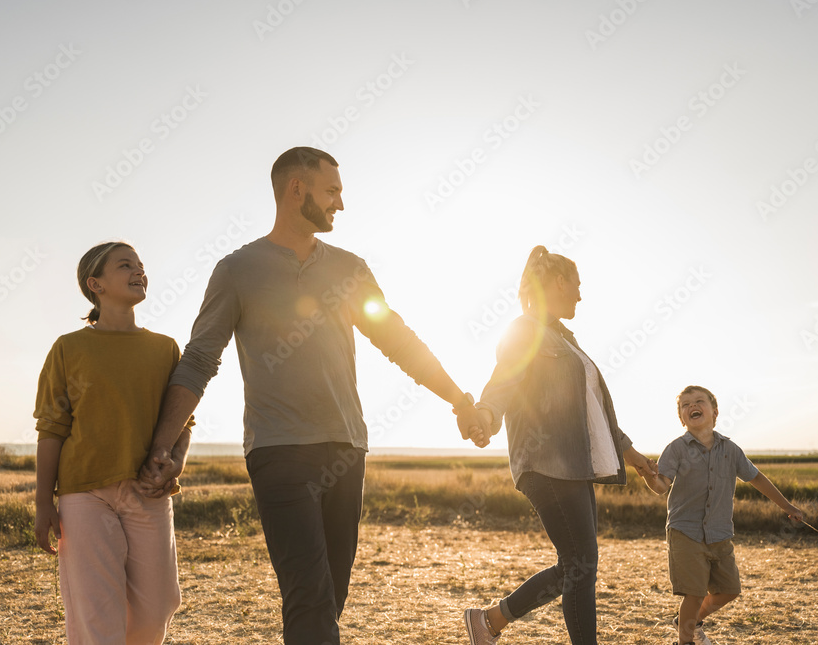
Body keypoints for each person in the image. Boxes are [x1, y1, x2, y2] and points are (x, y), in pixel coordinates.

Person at [138, 146, 489, 645]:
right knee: (310, 595)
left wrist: (458, 398)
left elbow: (397, 340)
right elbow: (199, 360)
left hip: (347, 448)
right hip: (279, 450)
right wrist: (163, 446)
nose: (340, 204)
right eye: (332, 191)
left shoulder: (350, 268)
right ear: (296, 189)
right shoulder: (237, 270)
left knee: (329, 596)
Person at [461, 245, 659, 645]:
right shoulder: (524, 331)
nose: (581, 296)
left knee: (575, 565)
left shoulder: (564, 339)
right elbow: (504, 381)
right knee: (582, 565)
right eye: (577, 285)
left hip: (575, 464)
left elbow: (590, 413)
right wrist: (484, 415)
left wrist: (634, 457)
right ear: (557, 281)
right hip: (546, 462)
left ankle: (488, 621)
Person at [33, 241, 194, 644]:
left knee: (157, 605)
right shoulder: (69, 348)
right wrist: (42, 503)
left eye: (141, 265)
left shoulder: (164, 348)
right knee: (96, 612)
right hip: (84, 494)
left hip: (149, 492)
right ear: (96, 284)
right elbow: (52, 428)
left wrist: (177, 462)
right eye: (125, 265)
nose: (139, 271)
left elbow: (183, 421)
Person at [642, 385, 804, 645]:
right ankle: (685, 641)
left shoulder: (731, 449)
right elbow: (661, 486)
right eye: (685, 405)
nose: (692, 406)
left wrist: (788, 507)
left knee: (729, 590)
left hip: (720, 532)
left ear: (714, 412)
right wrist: (649, 477)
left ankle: (689, 621)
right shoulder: (676, 449)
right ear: (681, 417)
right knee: (693, 594)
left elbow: (757, 478)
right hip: (685, 531)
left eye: (699, 401)